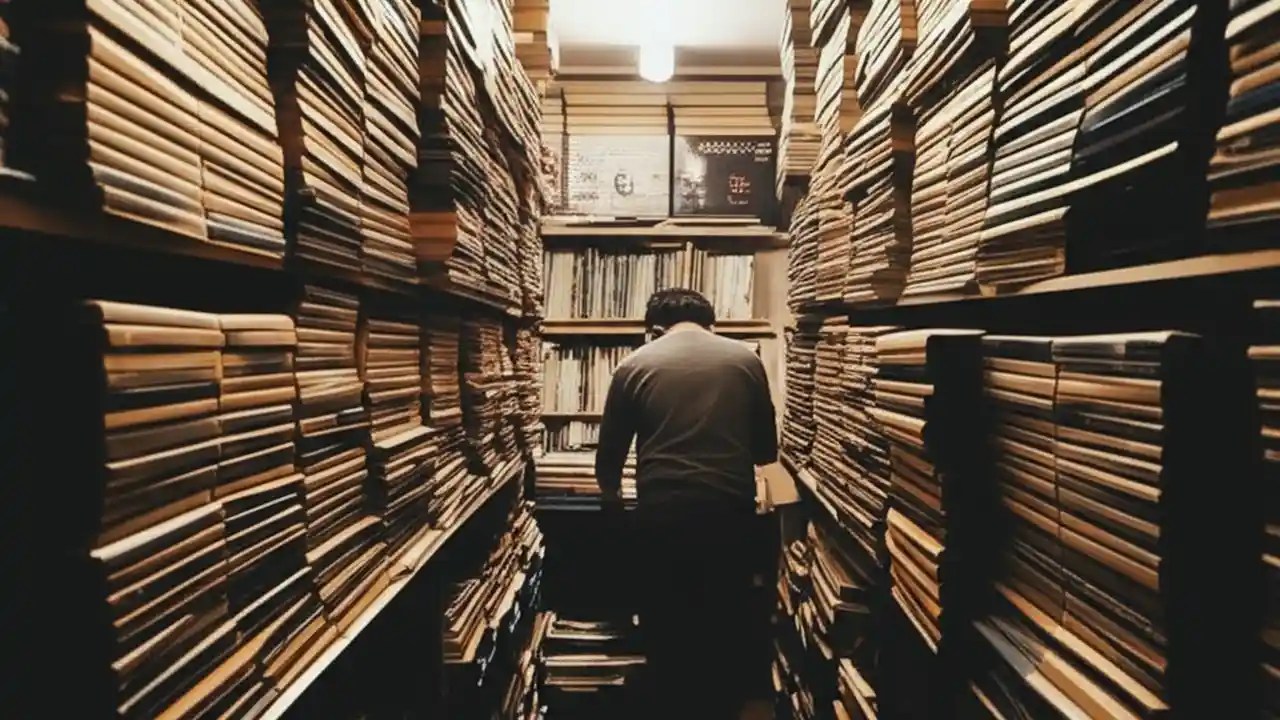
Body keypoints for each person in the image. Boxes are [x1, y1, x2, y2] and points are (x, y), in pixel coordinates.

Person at [595, 288, 779, 720]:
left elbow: (609, 461)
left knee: (667, 630)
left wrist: (614, 507)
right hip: (729, 516)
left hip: (662, 517)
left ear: (654, 329)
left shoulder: (633, 365)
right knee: (722, 627)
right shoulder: (746, 360)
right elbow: (765, 452)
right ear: (710, 322)